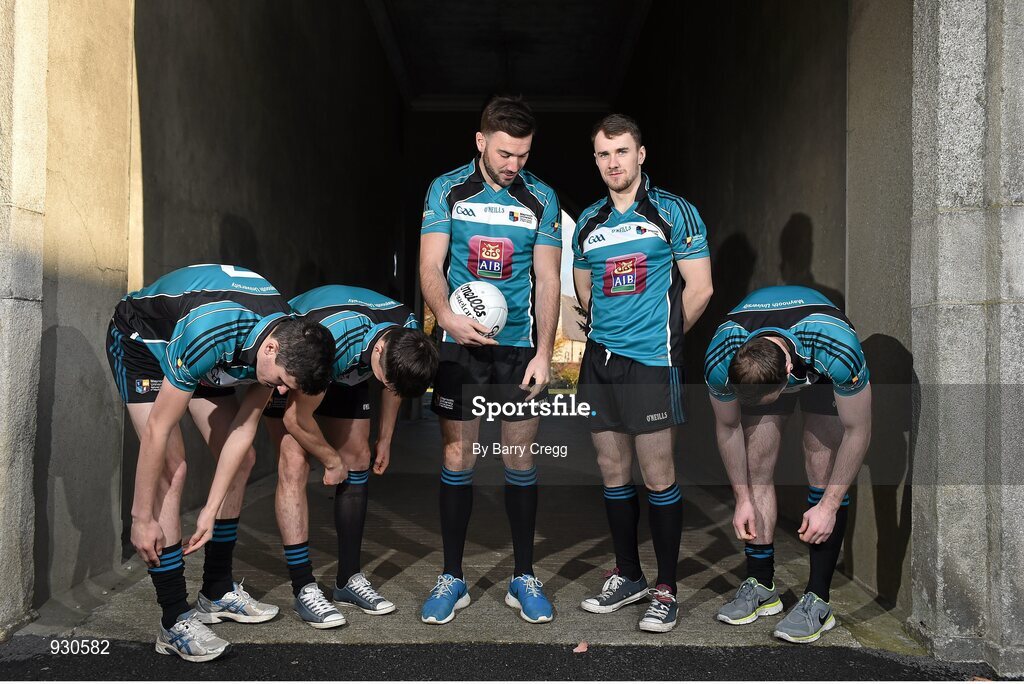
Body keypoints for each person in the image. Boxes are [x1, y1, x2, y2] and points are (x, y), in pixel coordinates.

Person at [105, 264, 333, 661]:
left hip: (204, 353)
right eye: (281, 381)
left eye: (287, 388)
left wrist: (210, 510)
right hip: (143, 343)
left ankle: (217, 589)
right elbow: (158, 428)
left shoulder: (286, 337)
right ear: (271, 349)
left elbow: (244, 430)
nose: (280, 391)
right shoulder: (210, 332)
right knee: (172, 469)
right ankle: (174, 619)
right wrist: (141, 517)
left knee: (243, 458)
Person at [418, 95, 561, 624]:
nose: (513, 164)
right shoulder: (447, 189)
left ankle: (523, 575)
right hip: (460, 344)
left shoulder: (541, 196)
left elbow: (547, 279)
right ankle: (452, 577)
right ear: (481, 141)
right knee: (459, 456)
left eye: (522, 155)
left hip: (519, 346)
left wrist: (544, 353)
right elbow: (431, 265)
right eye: (504, 153)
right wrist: (446, 320)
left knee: (520, 458)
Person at [572, 114, 713, 633]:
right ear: (597, 159)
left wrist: (663, 341)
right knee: (612, 470)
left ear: (641, 154)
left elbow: (700, 289)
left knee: (659, 475)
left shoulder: (674, 211)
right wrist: (609, 329)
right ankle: (628, 575)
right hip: (601, 363)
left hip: (654, 362)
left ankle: (666, 589)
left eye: (622, 152)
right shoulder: (588, 221)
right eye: (604, 154)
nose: (613, 163)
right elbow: (584, 288)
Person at [257, 285, 437, 628]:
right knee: (294, 462)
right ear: (380, 349)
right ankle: (304, 587)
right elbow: (296, 419)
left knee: (359, 456)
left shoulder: (407, 335)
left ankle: (347, 580)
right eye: (384, 377)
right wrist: (329, 459)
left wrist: (385, 438)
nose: (387, 385)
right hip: (306, 352)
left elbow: (393, 383)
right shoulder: (334, 338)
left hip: (351, 361)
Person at [704, 284, 871, 643]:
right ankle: (762, 585)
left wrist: (827, 507)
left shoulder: (836, 348)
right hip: (765, 359)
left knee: (821, 463)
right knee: (757, 459)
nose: (763, 409)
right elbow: (728, 425)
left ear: (790, 371)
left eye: (769, 400)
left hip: (819, 366)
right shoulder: (721, 357)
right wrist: (742, 498)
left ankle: (818, 599)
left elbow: (858, 432)